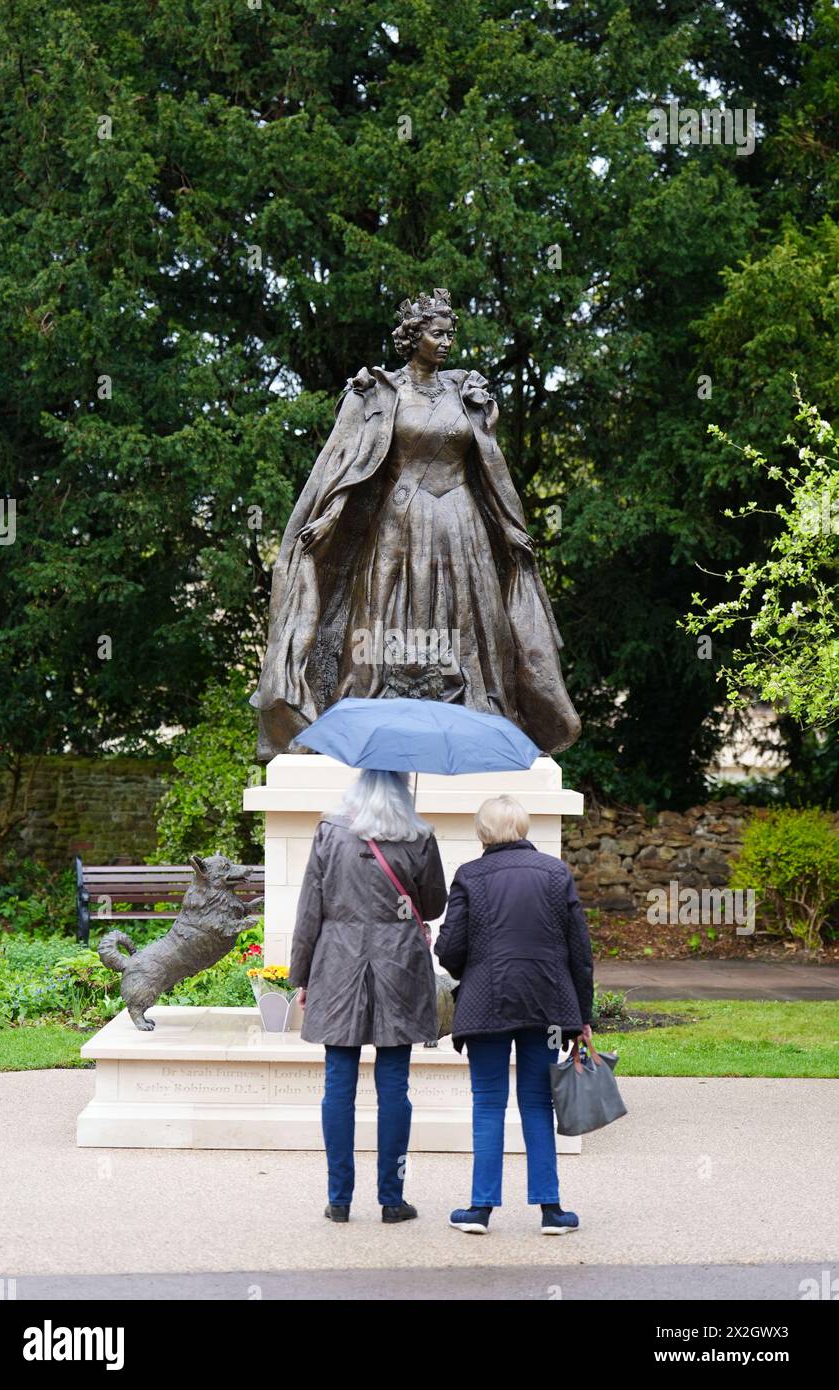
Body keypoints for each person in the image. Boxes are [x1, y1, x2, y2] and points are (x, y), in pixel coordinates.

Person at [250, 288, 580, 762]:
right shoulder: (378, 391)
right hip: (397, 521)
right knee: (382, 611)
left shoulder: (466, 392)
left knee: (471, 615)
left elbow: (489, 466)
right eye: (436, 333)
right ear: (413, 336)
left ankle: (477, 704)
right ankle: (375, 703)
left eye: (450, 335)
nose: (446, 342)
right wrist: (328, 517)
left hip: (461, 521)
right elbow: (342, 463)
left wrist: (507, 524)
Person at [290, 768, 448, 1225]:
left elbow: (309, 910)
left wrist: (302, 976)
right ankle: (391, 1199)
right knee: (394, 1086)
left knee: (337, 1085)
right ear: (402, 789)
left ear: (357, 787)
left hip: (337, 962)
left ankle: (339, 1199)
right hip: (398, 963)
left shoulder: (329, 831)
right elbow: (434, 904)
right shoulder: (419, 836)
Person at [434, 794, 595, 1235]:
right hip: (546, 1010)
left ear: (483, 833)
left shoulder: (470, 875)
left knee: (488, 1103)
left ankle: (480, 1210)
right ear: (522, 829)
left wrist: (473, 969)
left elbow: (449, 948)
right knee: (538, 1103)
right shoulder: (555, 872)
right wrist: (582, 1014)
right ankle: (551, 1211)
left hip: (487, 1005)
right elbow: (580, 952)